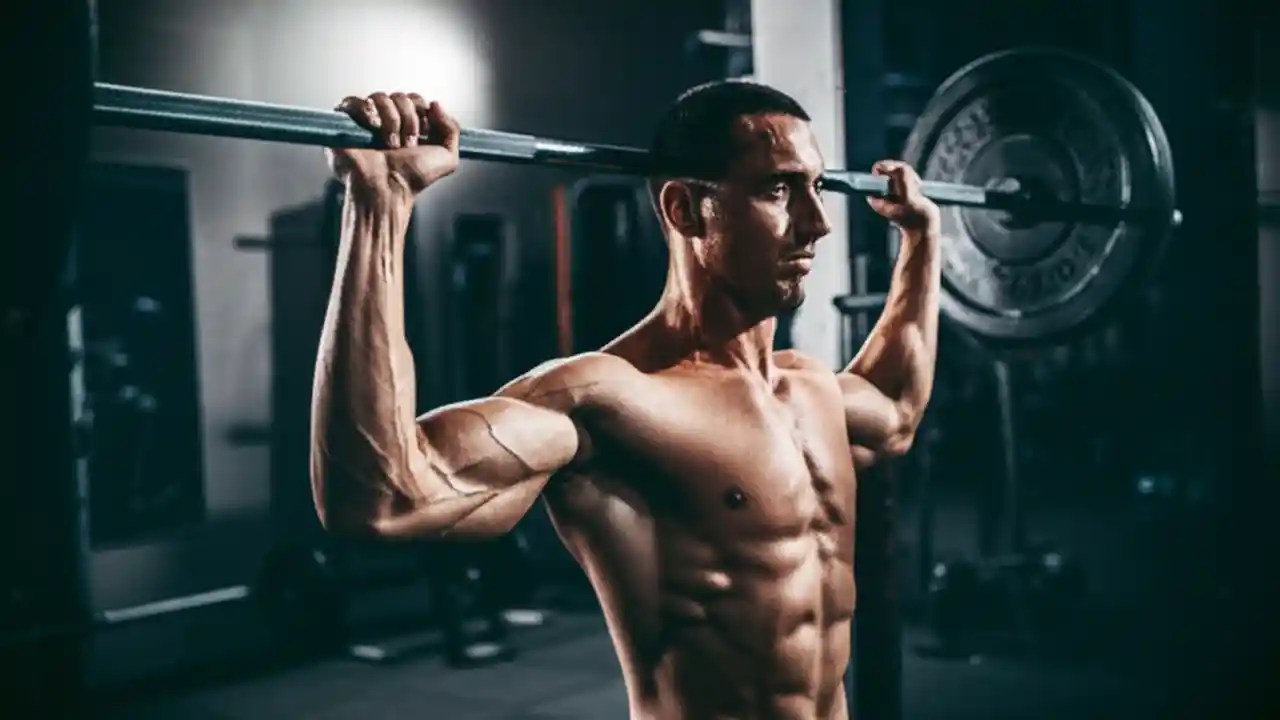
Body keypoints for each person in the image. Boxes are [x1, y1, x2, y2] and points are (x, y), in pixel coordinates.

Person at [311, 80, 940, 719]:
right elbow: (383, 500)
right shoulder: (609, 400)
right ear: (686, 210)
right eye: (777, 190)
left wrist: (922, 239)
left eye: (818, 188)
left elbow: (896, 412)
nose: (818, 223)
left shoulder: (811, 388)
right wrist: (380, 204)